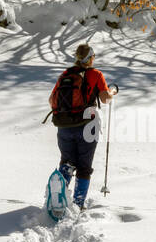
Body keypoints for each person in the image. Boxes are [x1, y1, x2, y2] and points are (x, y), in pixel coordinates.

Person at [48, 43, 116, 207]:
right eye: (93, 56)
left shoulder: (65, 74)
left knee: (67, 162)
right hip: (87, 127)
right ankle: (77, 204)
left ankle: (58, 199)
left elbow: (52, 100)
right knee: (84, 167)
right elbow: (105, 99)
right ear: (90, 58)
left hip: (64, 127)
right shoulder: (95, 74)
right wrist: (112, 92)